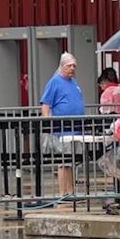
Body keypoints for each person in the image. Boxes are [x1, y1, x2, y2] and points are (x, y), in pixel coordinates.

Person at [40, 52, 85, 196]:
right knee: (63, 162)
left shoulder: (74, 83)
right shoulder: (55, 82)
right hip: (62, 130)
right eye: (69, 66)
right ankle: (63, 193)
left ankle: (71, 191)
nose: (72, 68)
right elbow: (46, 104)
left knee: (71, 162)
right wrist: (48, 124)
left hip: (76, 129)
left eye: (74, 66)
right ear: (62, 66)